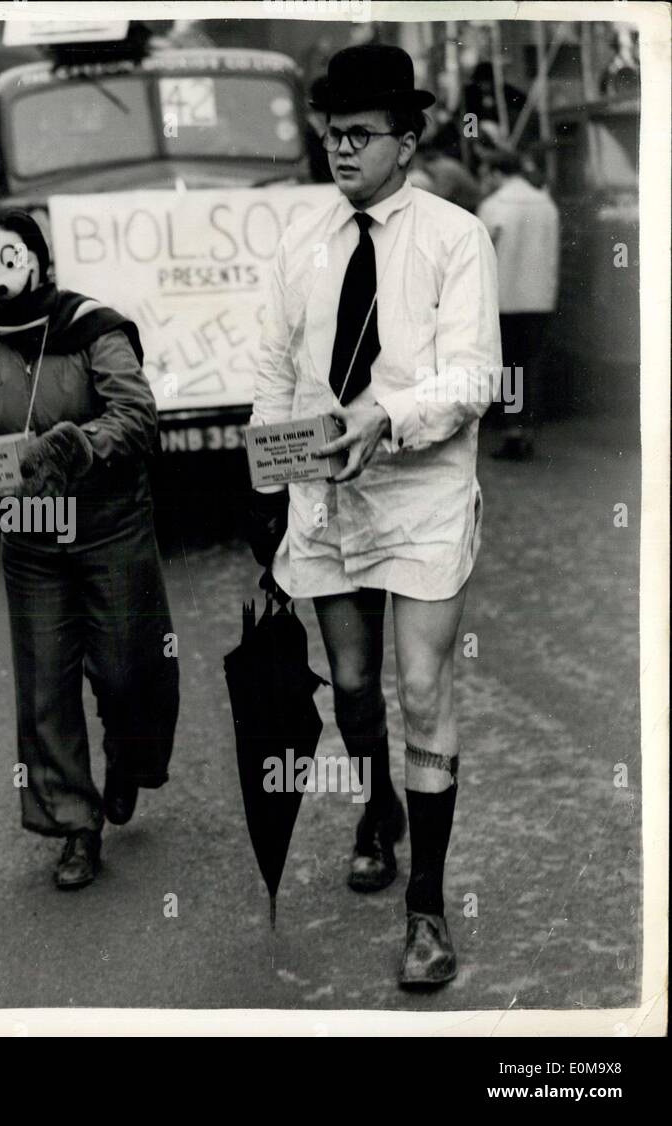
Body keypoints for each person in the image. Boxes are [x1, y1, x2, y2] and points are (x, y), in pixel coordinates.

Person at [248, 44, 500, 988]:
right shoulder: (301, 240)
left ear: (407, 137)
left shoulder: (454, 237)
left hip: (424, 494)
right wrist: (267, 489)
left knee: (424, 690)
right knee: (352, 685)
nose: (339, 149)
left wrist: (384, 414)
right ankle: (376, 811)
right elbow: (274, 372)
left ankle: (427, 911)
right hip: (326, 497)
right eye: (329, 132)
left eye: (358, 134)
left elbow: (475, 376)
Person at [0, 208, 179, 890]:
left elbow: (136, 415)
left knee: (128, 671)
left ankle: (129, 757)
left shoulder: (93, 329)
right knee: (46, 684)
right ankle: (76, 825)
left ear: (41, 264)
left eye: (10, 258)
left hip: (110, 524)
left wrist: (84, 444)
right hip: (32, 536)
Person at [477, 148, 559, 460]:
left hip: (505, 299)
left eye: (487, 174)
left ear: (497, 173)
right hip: (539, 298)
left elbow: (482, 253)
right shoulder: (545, 203)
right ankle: (529, 432)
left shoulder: (493, 206)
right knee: (532, 365)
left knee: (511, 368)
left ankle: (513, 431)